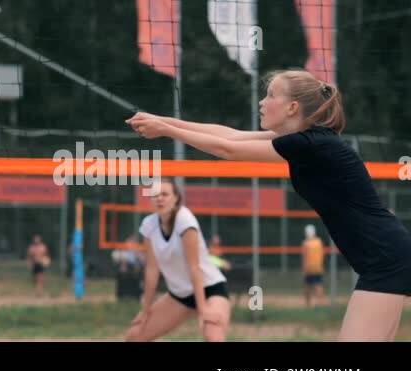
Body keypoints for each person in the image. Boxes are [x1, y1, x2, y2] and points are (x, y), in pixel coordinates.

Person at [126, 68, 411, 342]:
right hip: (387, 257)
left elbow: (229, 149)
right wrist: (164, 122)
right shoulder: (304, 142)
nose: (262, 102)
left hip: (385, 261)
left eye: (271, 95)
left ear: (292, 108)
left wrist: (166, 130)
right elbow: (230, 135)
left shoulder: (310, 145)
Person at [125, 178, 231, 342]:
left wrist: (203, 309)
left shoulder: (185, 220)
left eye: (165, 194)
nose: (159, 198)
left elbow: (194, 268)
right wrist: (145, 310)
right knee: (134, 336)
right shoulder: (149, 225)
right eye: (155, 195)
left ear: (176, 198)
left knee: (213, 336)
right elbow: (151, 270)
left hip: (210, 289)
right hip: (180, 295)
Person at [301, 224, 326, 307]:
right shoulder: (319, 242)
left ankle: (308, 304)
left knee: (307, 287)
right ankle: (321, 303)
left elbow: (304, 257)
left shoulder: (306, 243)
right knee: (319, 285)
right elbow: (322, 254)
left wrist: (304, 270)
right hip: (318, 267)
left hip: (309, 268)